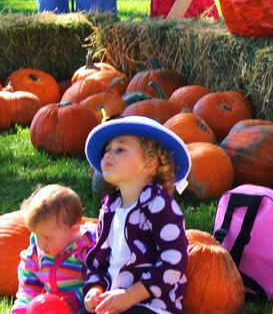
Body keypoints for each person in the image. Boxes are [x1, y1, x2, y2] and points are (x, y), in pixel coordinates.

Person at [83, 117, 191, 314]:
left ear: (149, 164)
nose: (108, 154)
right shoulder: (110, 207)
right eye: (107, 149)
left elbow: (174, 261)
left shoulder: (159, 204)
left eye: (120, 149)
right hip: (112, 302)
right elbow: (97, 260)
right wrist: (94, 289)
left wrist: (130, 296)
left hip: (150, 305)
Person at [12, 185, 98, 314]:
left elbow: (98, 281)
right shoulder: (36, 255)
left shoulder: (89, 250)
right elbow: (28, 288)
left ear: (73, 229)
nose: (41, 245)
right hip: (51, 307)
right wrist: (22, 309)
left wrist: (75, 300)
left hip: (84, 308)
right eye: (36, 235)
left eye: (47, 238)